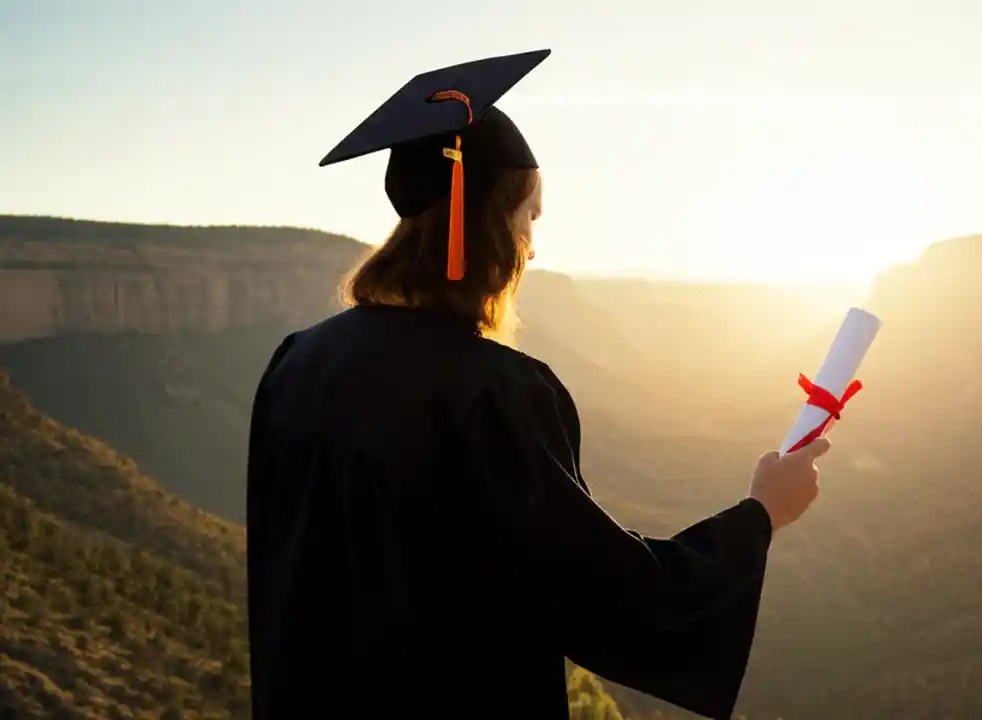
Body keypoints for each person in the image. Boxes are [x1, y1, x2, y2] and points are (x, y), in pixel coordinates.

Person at [246, 49, 831, 720]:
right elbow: (608, 595)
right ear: (488, 224)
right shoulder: (492, 392)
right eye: (529, 216)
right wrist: (760, 516)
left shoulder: (298, 363)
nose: (532, 245)